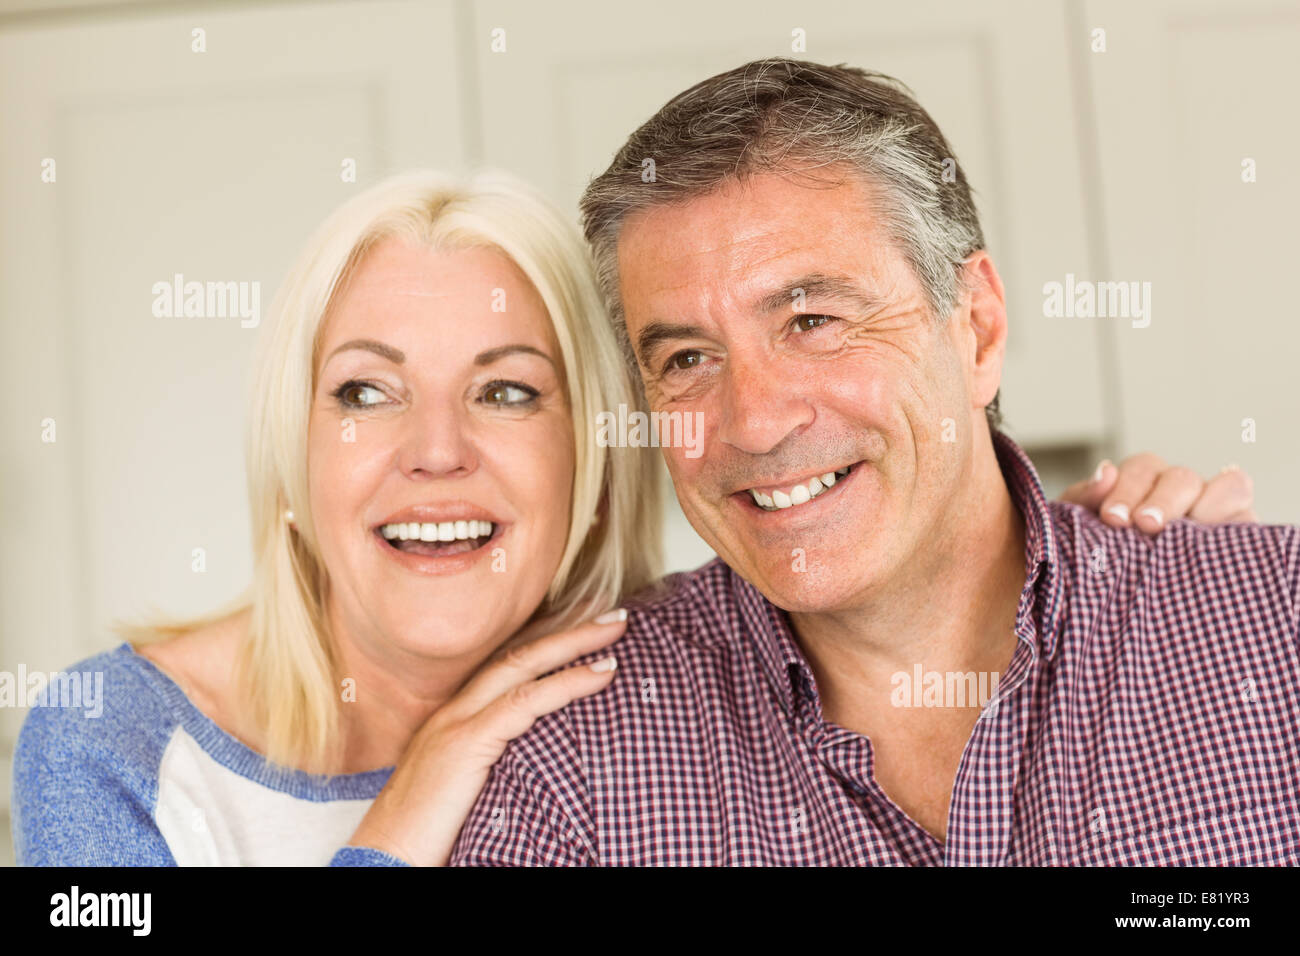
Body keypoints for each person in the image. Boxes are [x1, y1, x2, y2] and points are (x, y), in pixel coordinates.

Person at [9, 151, 1254, 868]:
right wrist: (402, 818)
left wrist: (1097, 558)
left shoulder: (633, 709)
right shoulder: (105, 740)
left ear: (597, 449)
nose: (433, 453)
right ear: (291, 450)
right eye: (365, 392)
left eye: (504, 391)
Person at [449, 58, 1297, 866]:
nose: (756, 421)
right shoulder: (565, 768)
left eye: (813, 321)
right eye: (687, 360)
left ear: (978, 328)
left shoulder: (1275, 628)